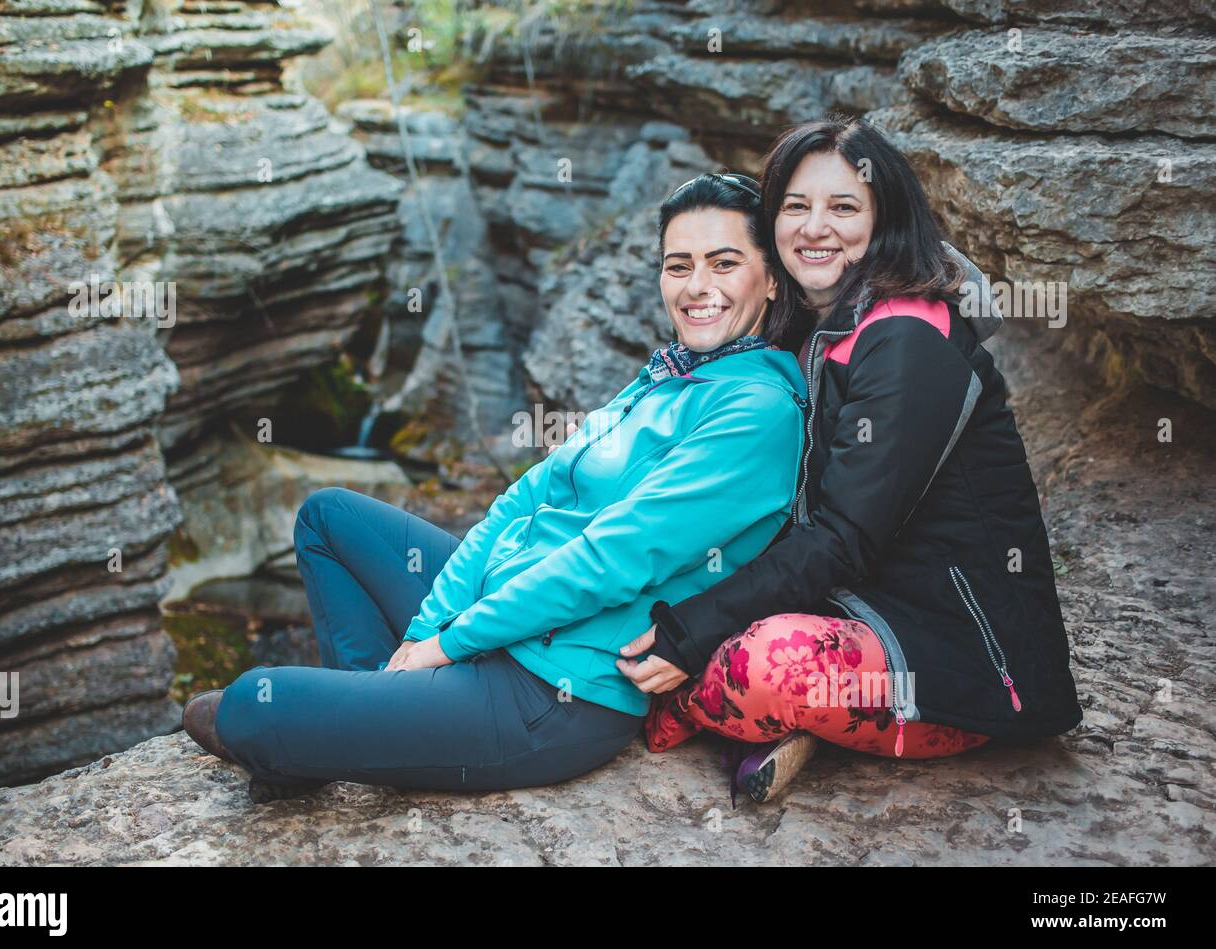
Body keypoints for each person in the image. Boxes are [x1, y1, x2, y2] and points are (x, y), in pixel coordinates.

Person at [181, 172, 809, 803]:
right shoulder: (669, 376)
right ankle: (378, 713)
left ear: (773, 277)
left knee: (246, 709)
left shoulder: (755, 412)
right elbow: (525, 498)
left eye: (724, 263)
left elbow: (607, 560)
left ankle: (357, 726)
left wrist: (450, 643)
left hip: (553, 691)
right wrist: (424, 637)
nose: (697, 286)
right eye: (679, 265)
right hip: (505, 614)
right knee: (327, 518)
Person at [618, 116, 1084, 805]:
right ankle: (789, 732)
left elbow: (842, 534)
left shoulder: (906, 337)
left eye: (843, 207)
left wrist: (687, 637)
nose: (815, 227)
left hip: (958, 658)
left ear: (883, 218)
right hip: (854, 606)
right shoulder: (816, 323)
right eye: (796, 206)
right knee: (664, 601)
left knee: (759, 663)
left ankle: (706, 714)